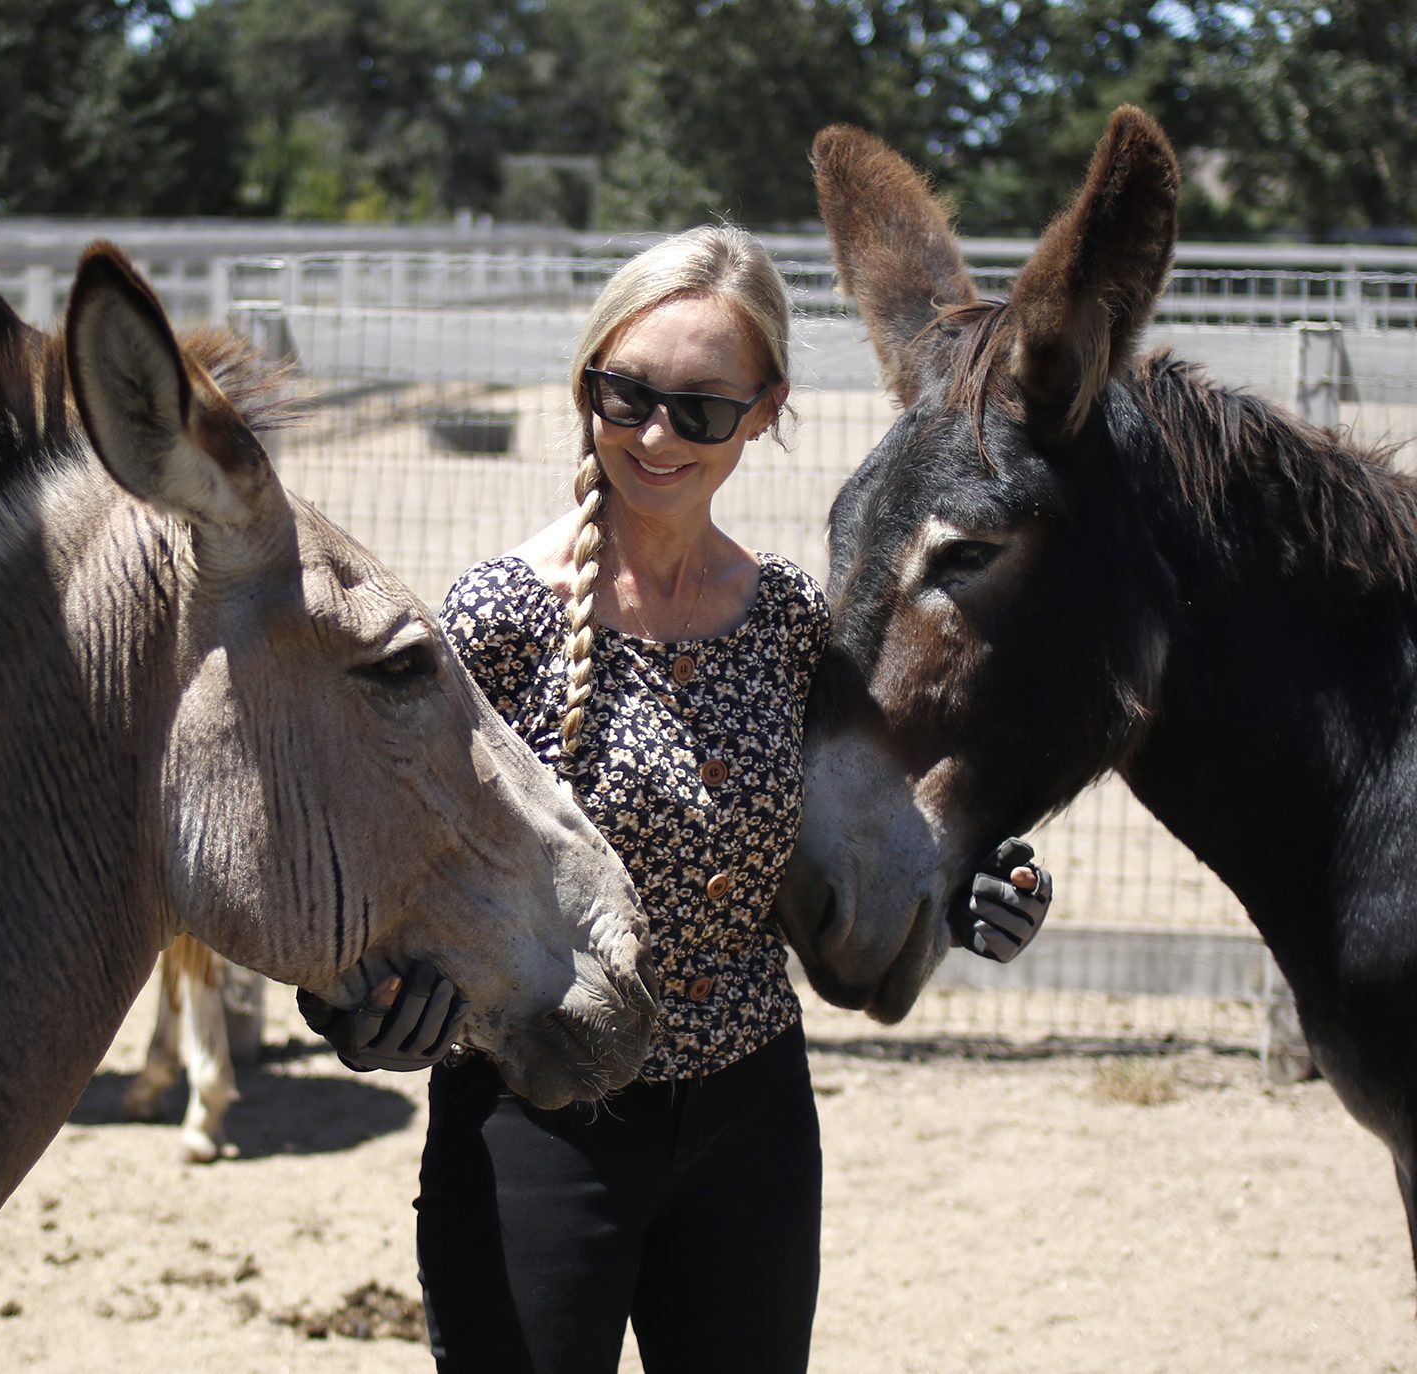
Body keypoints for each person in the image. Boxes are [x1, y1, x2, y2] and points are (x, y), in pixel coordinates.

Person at [301, 223, 1052, 1373]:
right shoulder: (494, 621)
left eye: (701, 407)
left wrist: (973, 883)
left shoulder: (793, 623)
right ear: (585, 383)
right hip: (531, 1123)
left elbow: (849, 843)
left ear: (763, 412)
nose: (654, 435)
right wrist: (355, 1002)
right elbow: (384, 873)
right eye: (626, 394)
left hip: (751, 1131)